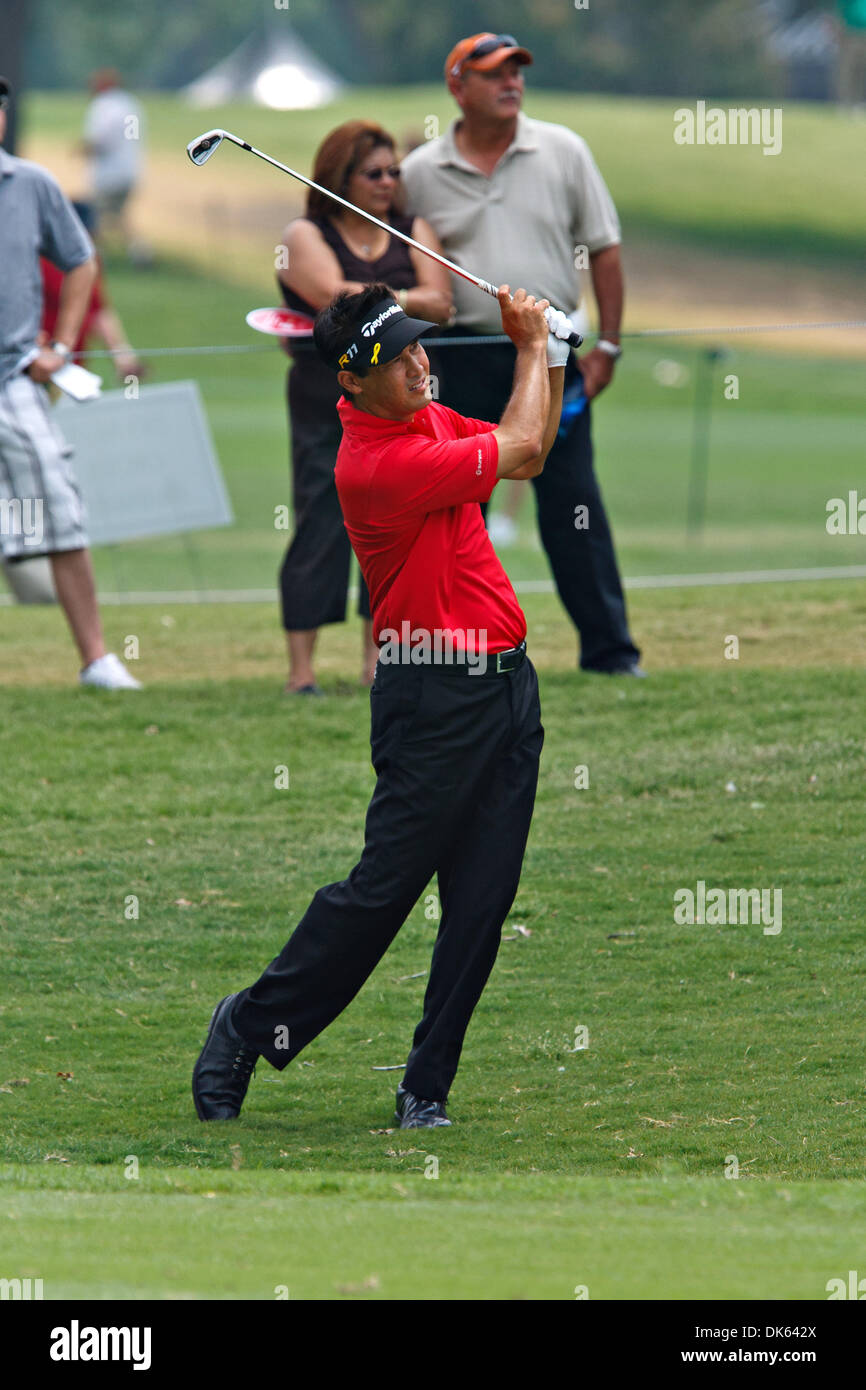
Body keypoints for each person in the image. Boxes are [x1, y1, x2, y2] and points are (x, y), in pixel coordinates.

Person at [192, 281, 567, 1130]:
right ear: (353, 381)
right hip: (432, 697)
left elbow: (533, 453)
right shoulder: (378, 463)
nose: (419, 364)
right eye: (399, 358)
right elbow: (517, 441)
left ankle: (425, 1089)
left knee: (481, 903)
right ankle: (248, 1024)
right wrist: (532, 347)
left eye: (418, 347)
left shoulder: (425, 420)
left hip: (508, 687)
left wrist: (543, 353)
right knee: (380, 894)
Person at [402, 32, 644, 676]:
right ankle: (444, 650)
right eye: (492, 74)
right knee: (454, 509)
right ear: (457, 86)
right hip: (458, 355)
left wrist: (610, 346)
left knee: (573, 503)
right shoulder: (421, 171)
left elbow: (606, 248)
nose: (511, 83)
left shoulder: (563, 150)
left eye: (517, 72)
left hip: (550, 353)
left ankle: (611, 653)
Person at [276, 120, 453, 692]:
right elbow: (332, 296)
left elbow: (444, 301)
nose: (387, 182)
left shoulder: (412, 228)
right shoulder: (305, 233)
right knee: (321, 521)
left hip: (403, 402)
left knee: (395, 528)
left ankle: (378, 662)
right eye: (373, 173)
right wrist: (401, 299)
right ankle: (301, 671)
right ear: (339, 177)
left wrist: (371, 298)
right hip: (325, 401)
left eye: (394, 172)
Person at [0, 75, 140, 689]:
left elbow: (82, 261)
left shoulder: (28, 185)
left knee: (59, 508)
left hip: (13, 379)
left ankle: (96, 660)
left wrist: (59, 347)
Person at [80, 69, 148, 263]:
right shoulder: (130, 104)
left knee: (95, 217)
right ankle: (140, 251)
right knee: (119, 216)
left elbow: (101, 139)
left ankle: (94, 257)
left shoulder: (103, 106)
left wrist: (83, 149)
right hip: (130, 170)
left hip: (108, 173)